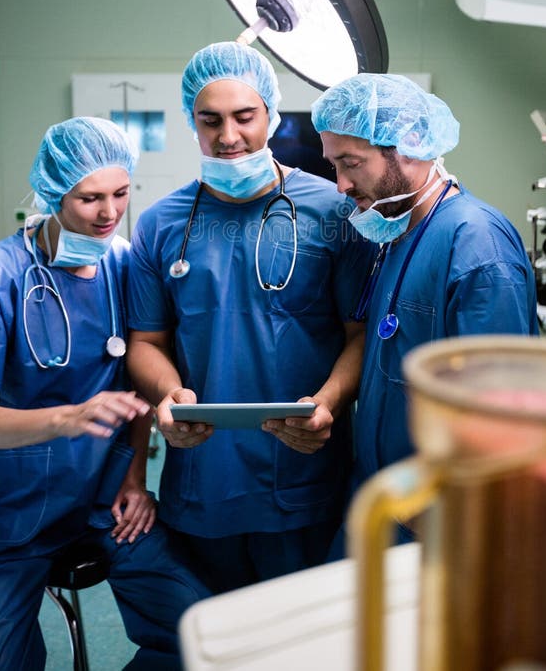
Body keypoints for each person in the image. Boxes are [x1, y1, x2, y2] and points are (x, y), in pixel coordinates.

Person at [126, 41, 375, 594]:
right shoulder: (161, 222)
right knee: (214, 637)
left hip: (303, 470)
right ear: (193, 121)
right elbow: (145, 340)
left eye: (245, 116)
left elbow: (361, 335)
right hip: (203, 477)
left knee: (303, 638)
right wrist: (169, 395)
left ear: (271, 115)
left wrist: (328, 402)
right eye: (209, 120)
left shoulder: (333, 212)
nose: (228, 136)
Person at [0, 117, 209, 671]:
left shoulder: (124, 264)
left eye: (120, 193)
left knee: (202, 628)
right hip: (10, 520)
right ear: (52, 191)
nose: (109, 213)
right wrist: (65, 419)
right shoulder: (6, 277)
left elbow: (137, 384)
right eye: (89, 198)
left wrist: (136, 477)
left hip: (105, 504)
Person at [311, 73, 538, 542]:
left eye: (352, 163)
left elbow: (501, 403)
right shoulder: (395, 231)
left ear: (410, 144)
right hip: (385, 497)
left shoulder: (476, 243)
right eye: (334, 165)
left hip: (441, 513)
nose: (341, 185)